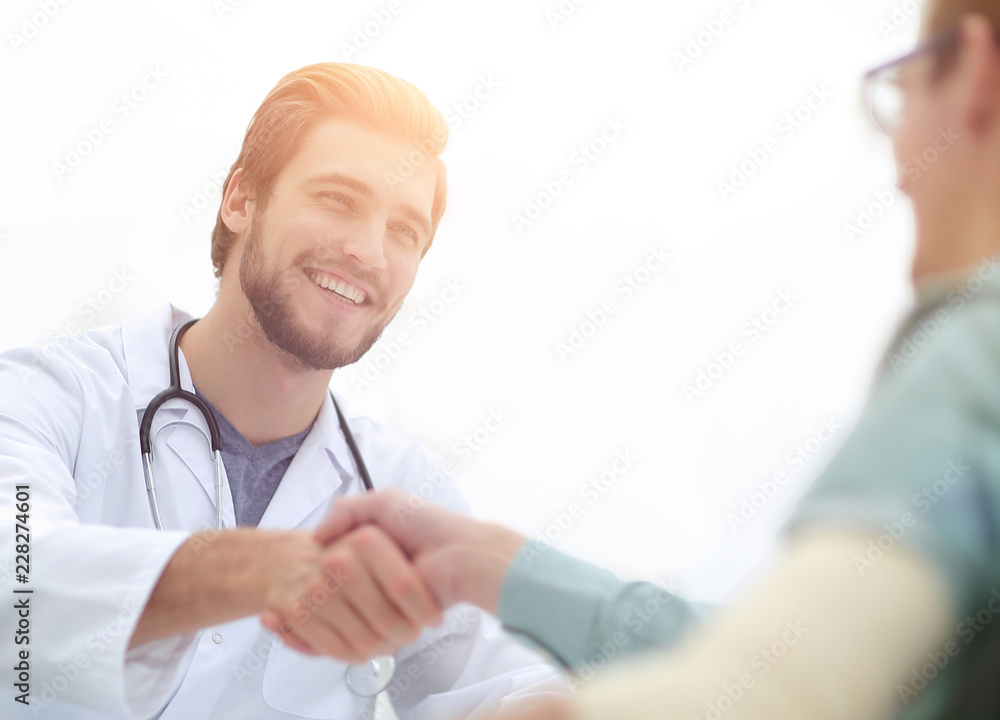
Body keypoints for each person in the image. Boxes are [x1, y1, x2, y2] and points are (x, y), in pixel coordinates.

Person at [313, 1, 1000, 718]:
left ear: (977, 72)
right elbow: (764, 649)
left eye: (905, 92)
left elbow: (772, 691)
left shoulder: (978, 345)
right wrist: (495, 565)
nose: (901, 161)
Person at [0, 64, 565, 719]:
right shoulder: (47, 396)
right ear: (240, 199)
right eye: (337, 200)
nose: (370, 253)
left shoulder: (405, 489)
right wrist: (264, 573)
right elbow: (17, 573)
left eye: (404, 231)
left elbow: (503, 691)